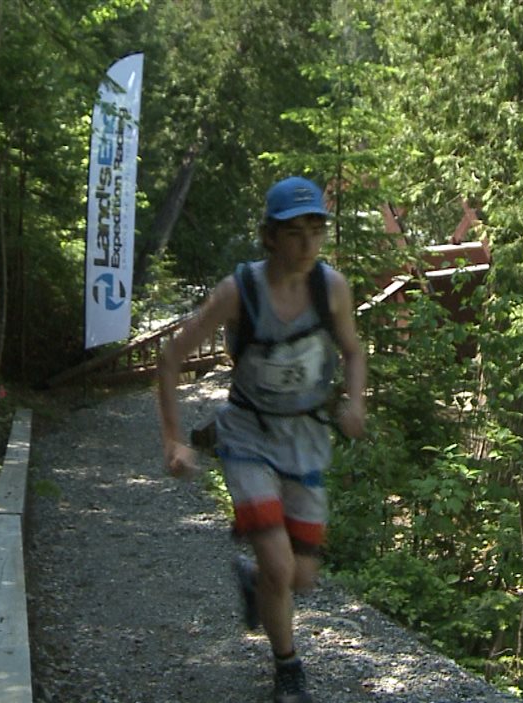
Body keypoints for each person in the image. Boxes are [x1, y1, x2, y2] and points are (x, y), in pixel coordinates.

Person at [155, 175, 367, 703]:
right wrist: (174, 440)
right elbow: (170, 357)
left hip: (306, 436)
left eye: (315, 231)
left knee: (302, 577)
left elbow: (354, 352)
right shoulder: (240, 292)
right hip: (247, 435)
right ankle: (288, 668)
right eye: (294, 233)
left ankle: (255, 581)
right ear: (269, 236)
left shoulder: (330, 288)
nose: (307, 245)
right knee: (280, 564)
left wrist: (356, 400)